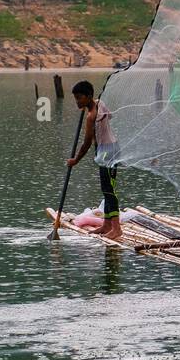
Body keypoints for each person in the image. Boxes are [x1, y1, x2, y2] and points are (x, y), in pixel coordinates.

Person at [67, 80, 123, 242]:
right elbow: (109, 117)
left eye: (80, 98)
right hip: (109, 148)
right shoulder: (100, 103)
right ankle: (106, 225)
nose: (78, 102)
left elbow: (86, 143)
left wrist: (75, 160)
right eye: (76, 99)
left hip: (108, 152)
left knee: (109, 190)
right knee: (106, 189)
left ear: (89, 96)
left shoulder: (91, 117)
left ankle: (116, 228)